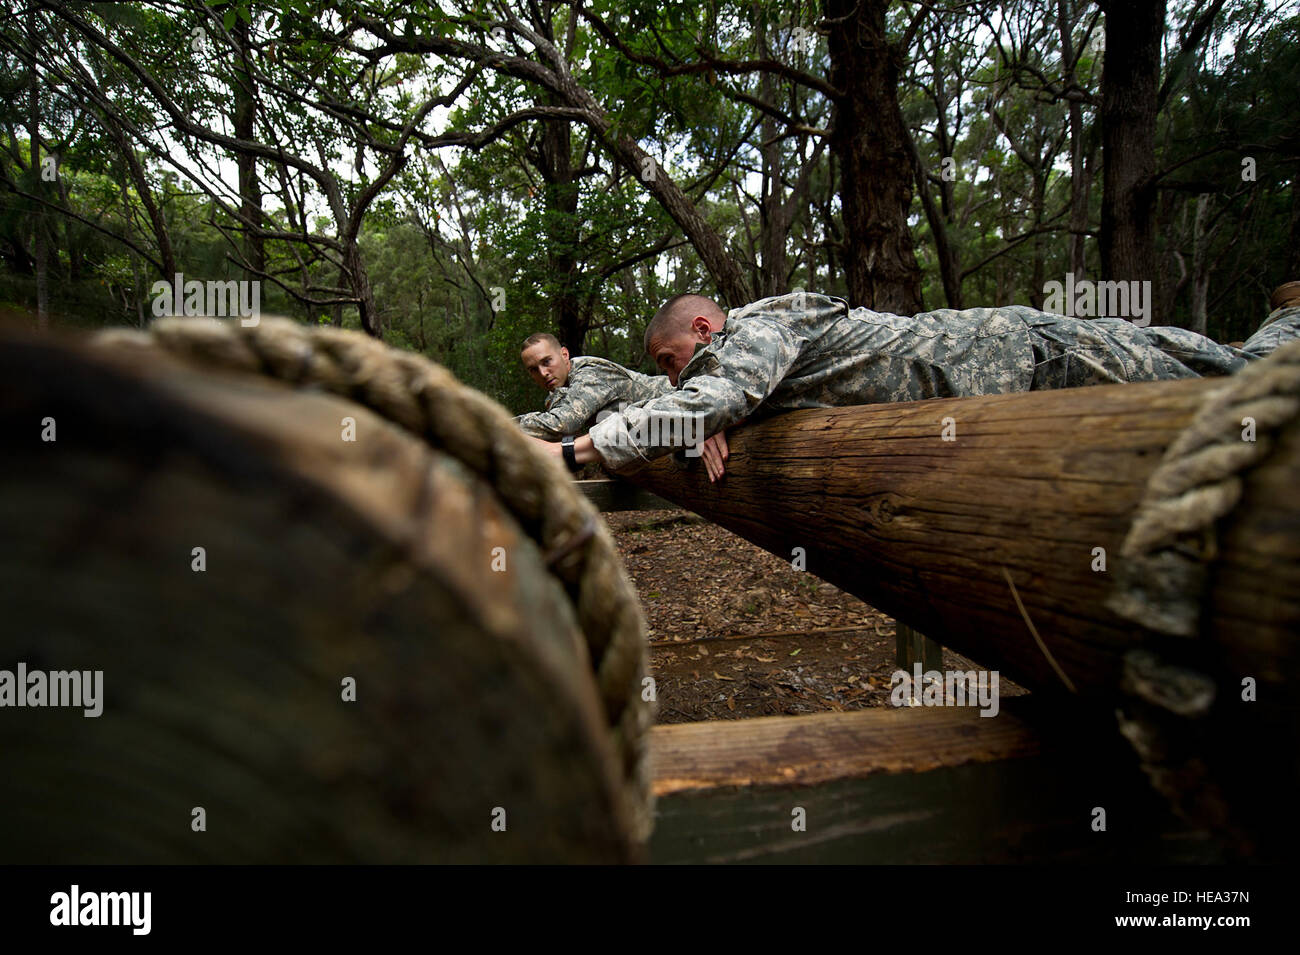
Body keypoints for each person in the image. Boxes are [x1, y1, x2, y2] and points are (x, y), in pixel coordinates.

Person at [531, 288, 1300, 480]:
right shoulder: (747, 359)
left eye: (671, 361)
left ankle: (1288, 324)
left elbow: (712, 396)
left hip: (1036, 354)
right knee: (1215, 368)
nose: (671, 378)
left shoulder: (760, 328)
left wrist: (575, 454)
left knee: (1232, 382)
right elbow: (707, 404)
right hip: (1020, 373)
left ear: (704, 331)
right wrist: (702, 417)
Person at [514, 332, 673, 441]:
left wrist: (499, 426)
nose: (543, 373)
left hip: (681, 401)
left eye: (547, 362)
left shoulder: (589, 375)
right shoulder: (562, 390)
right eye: (534, 370)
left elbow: (562, 424)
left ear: (564, 355)